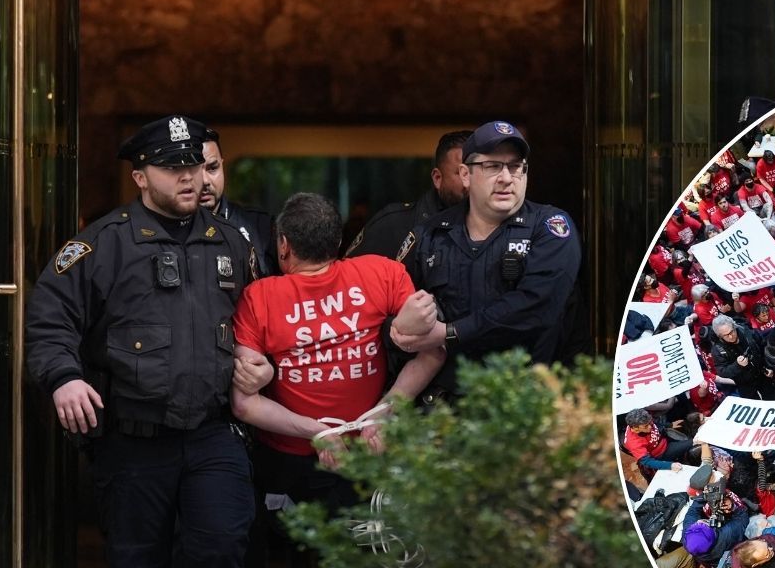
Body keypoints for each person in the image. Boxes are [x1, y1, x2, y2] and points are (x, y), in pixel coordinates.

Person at [22, 114, 261, 568]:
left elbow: (261, 320)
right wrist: (64, 379)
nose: (190, 178)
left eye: (196, 166)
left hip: (212, 434)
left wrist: (259, 357)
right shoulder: (102, 245)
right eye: (173, 168)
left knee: (217, 556)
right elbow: (49, 322)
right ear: (140, 176)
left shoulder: (232, 241)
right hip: (134, 438)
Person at [229, 193, 444, 512]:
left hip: (290, 458)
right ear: (340, 239)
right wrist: (384, 413)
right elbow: (434, 353)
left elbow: (244, 403)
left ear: (283, 245)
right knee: (368, 550)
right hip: (367, 448)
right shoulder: (382, 273)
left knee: (297, 543)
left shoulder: (259, 296)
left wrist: (316, 431)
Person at [394, 122, 583, 403]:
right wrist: (398, 329)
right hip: (446, 409)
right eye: (493, 166)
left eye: (516, 166)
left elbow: (535, 307)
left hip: (525, 407)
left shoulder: (549, 227)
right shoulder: (432, 234)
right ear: (465, 175)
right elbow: (397, 306)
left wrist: (448, 333)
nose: (507, 177)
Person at [345, 130, 471, 260]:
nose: (473, 180)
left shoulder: (491, 227)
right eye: (462, 172)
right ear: (437, 178)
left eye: (481, 170)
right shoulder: (393, 225)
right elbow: (351, 276)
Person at [198, 127, 278, 274]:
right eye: (195, 170)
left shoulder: (260, 226)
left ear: (222, 164)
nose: (205, 181)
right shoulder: (169, 230)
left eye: (212, 168)